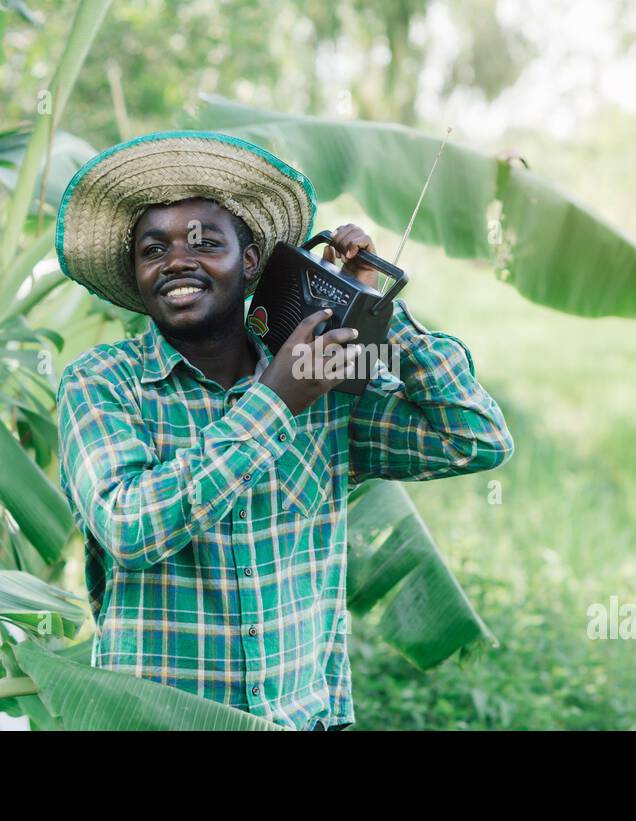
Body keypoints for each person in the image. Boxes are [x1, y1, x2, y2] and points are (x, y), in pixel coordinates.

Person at [54, 130, 514, 731]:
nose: (176, 262)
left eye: (203, 243)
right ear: (138, 277)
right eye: (152, 251)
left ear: (249, 264)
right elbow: (129, 526)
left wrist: (373, 309)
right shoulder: (101, 383)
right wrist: (276, 399)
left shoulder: (326, 391)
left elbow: (474, 438)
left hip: (300, 717)